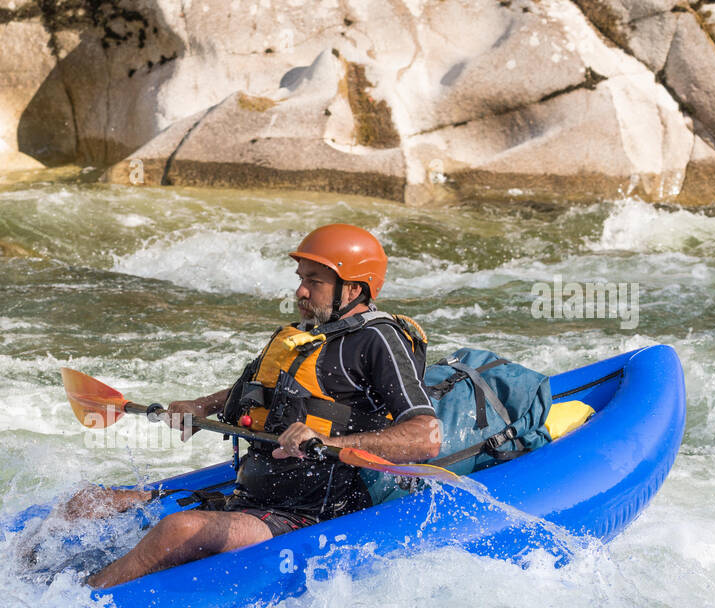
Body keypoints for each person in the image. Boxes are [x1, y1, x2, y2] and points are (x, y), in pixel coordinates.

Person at [64, 224, 442, 589]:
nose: (301, 291)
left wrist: (326, 442)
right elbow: (262, 391)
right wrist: (202, 407)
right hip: (249, 493)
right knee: (88, 503)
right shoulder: (304, 335)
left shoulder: (379, 339)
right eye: (301, 278)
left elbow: (426, 437)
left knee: (177, 530)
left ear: (353, 289)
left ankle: (79, 604)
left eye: (315, 281)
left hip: (306, 515)